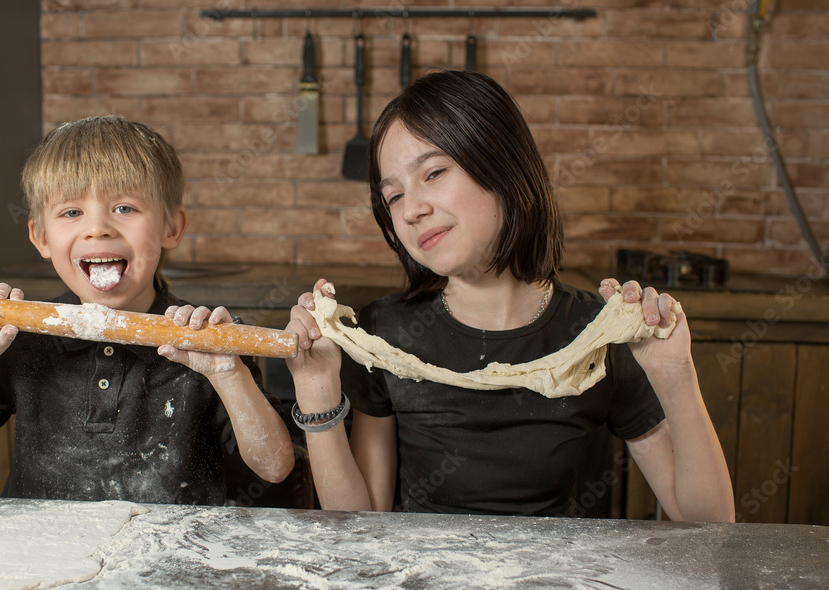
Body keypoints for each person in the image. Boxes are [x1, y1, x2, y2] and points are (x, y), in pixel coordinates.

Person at [285, 70, 734, 522]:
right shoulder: (383, 335)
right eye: (394, 196)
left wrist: (674, 375)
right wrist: (315, 392)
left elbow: (710, 527)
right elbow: (361, 525)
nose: (412, 210)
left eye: (434, 173)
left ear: (501, 163)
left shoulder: (600, 336)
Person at [0, 116, 295, 504]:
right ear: (41, 237)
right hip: (43, 554)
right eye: (71, 212)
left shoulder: (210, 342)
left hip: (170, 556)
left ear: (171, 227)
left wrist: (228, 374)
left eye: (125, 207)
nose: (99, 229)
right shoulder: (22, 338)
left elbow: (274, 467)